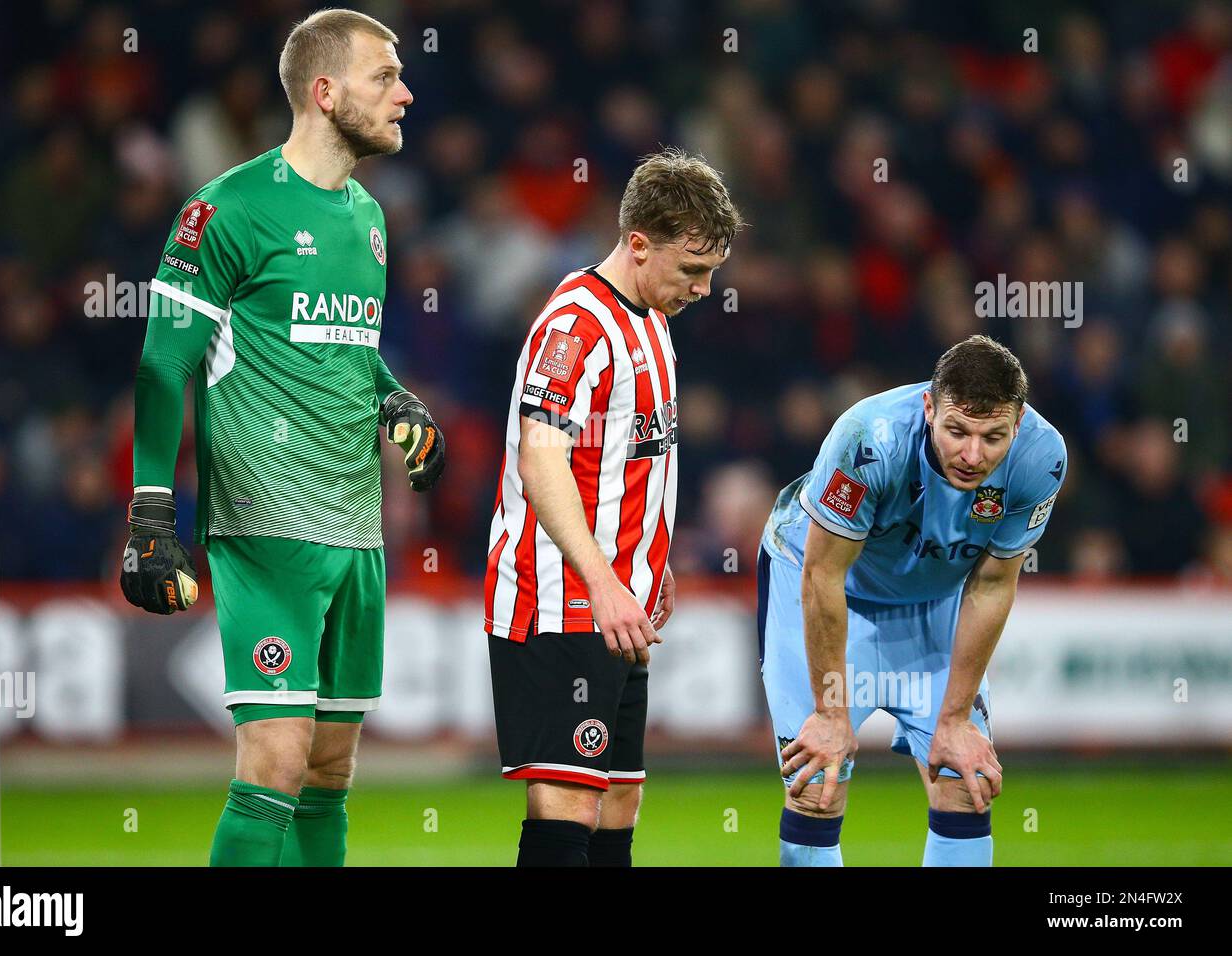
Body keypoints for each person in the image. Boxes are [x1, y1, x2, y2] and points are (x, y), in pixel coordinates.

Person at [118, 9, 445, 867]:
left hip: (356, 526)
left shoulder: (369, 218)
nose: (405, 94)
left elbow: (348, 350)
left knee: (331, 772)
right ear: (325, 91)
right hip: (266, 526)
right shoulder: (224, 209)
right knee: (276, 762)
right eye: (386, 77)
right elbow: (162, 365)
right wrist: (153, 507)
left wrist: (396, 402)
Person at [484, 147, 743, 866]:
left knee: (617, 801)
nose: (702, 287)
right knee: (569, 799)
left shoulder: (652, 321)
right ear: (636, 244)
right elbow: (542, 457)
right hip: (560, 598)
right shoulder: (576, 327)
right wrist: (603, 580)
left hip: (618, 604)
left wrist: (648, 568)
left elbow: (638, 463)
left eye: (712, 271)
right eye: (691, 269)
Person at [758, 334, 1066, 866]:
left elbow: (992, 585)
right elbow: (822, 574)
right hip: (824, 588)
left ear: (1018, 424)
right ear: (929, 408)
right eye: (957, 431)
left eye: (994, 437)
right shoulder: (867, 439)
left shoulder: (1042, 458)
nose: (973, 455)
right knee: (817, 786)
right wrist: (832, 715)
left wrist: (955, 720)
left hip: (936, 596)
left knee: (966, 784)